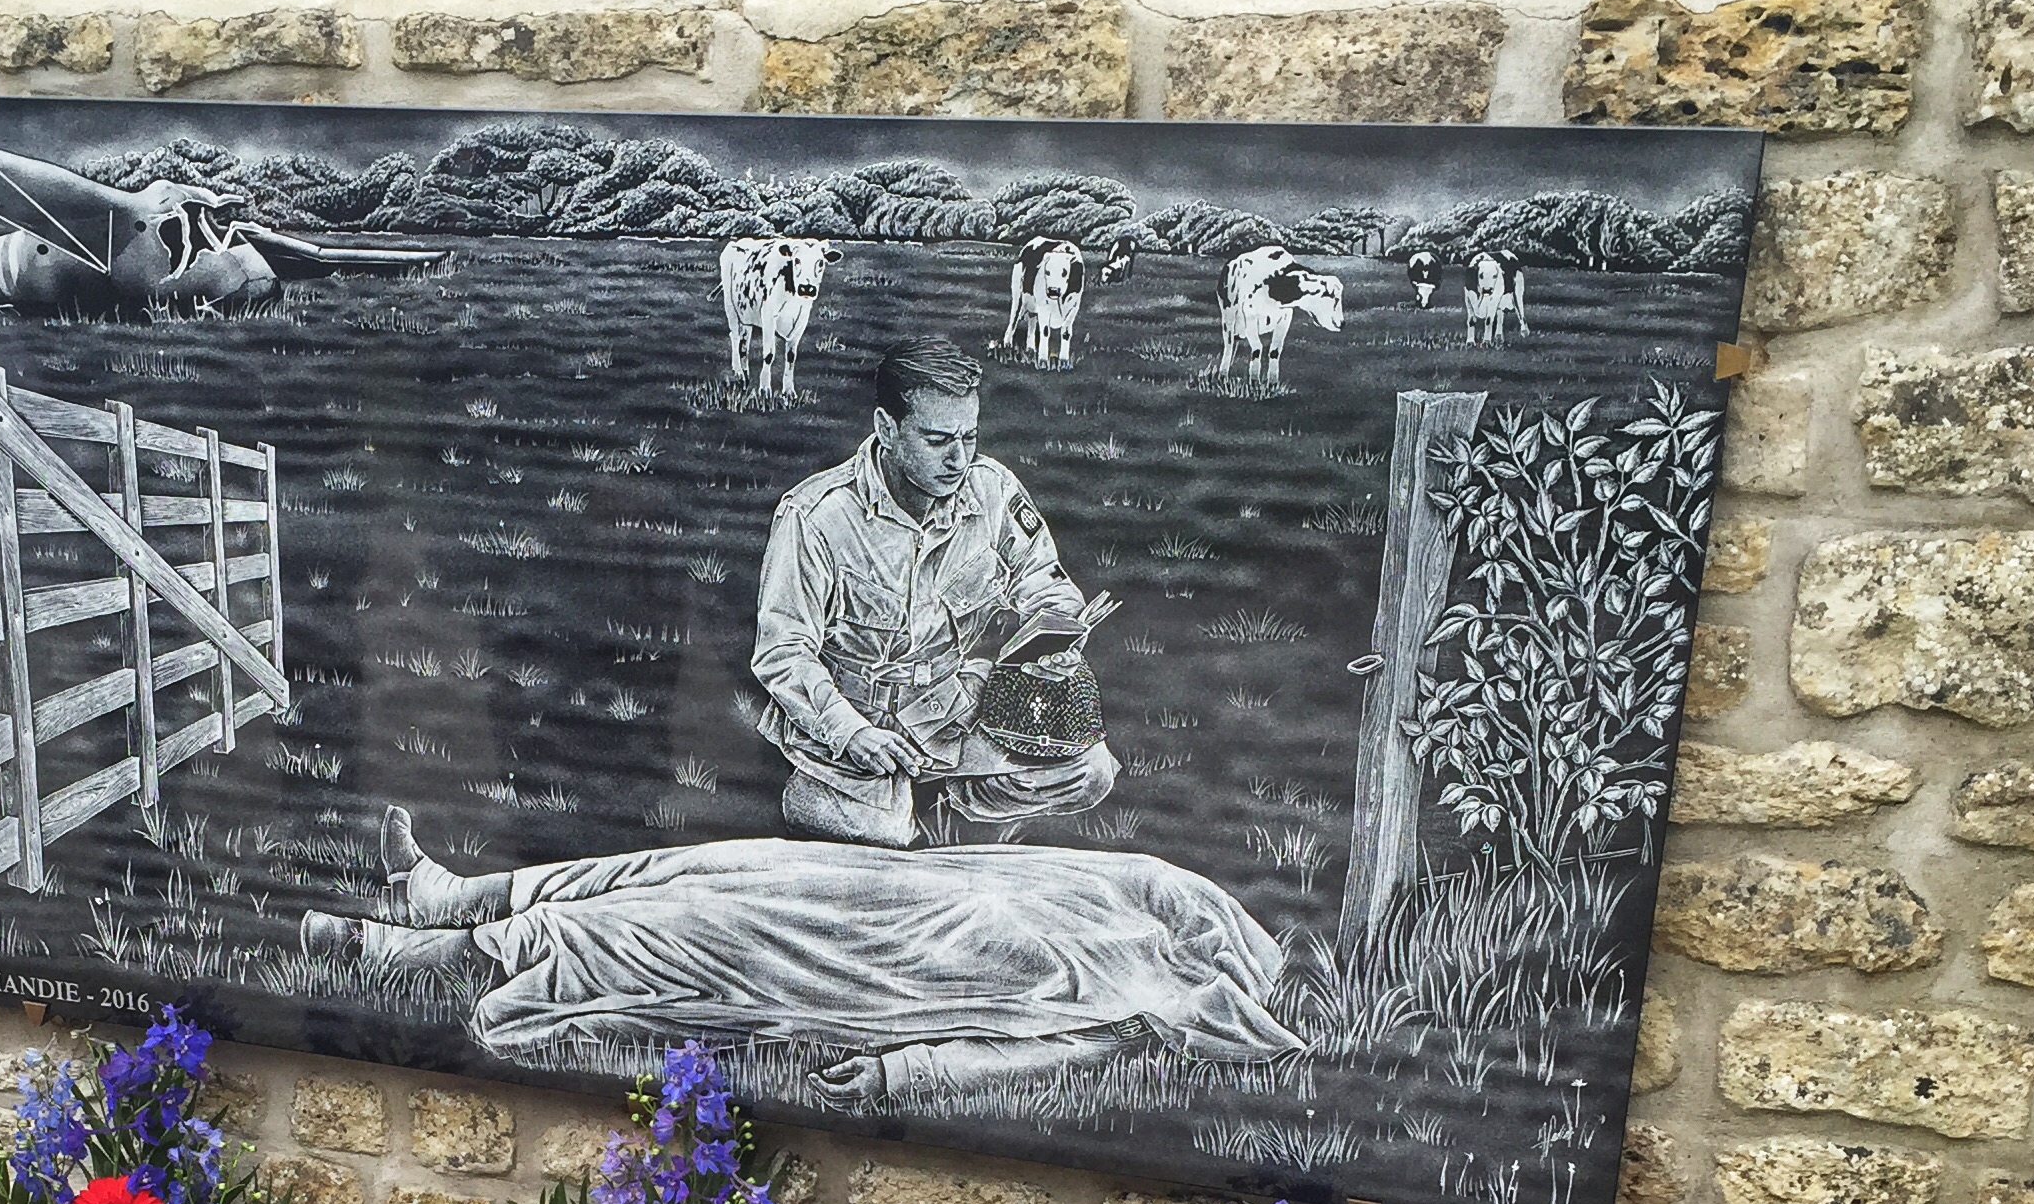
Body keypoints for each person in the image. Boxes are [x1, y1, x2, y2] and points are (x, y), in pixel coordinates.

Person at [300, 811, 1300, 1113]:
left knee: (674, 927)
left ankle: (415, 950)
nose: (1196, 939)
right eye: (1203, 927)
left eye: (1206, 950)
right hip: (859, 890)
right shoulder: (1118, 886)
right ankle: (459, 897)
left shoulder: (1133, 999)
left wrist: (895, 1072)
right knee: (712, 862)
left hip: (855, 964)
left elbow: (1034, 1061)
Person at [751, 339, 1120, 849]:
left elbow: (1046, 583)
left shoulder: (992, 490)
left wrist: (1055, 643)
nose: (959, 458)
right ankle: (878, 809)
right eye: (937, 439)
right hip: (859, 733)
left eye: (969, 436)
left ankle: (950, 810)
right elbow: (782, 653)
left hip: (957, 711)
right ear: (887, 429)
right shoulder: (815, 517)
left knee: (1090, 772)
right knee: (877, 846)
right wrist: (851, 733)